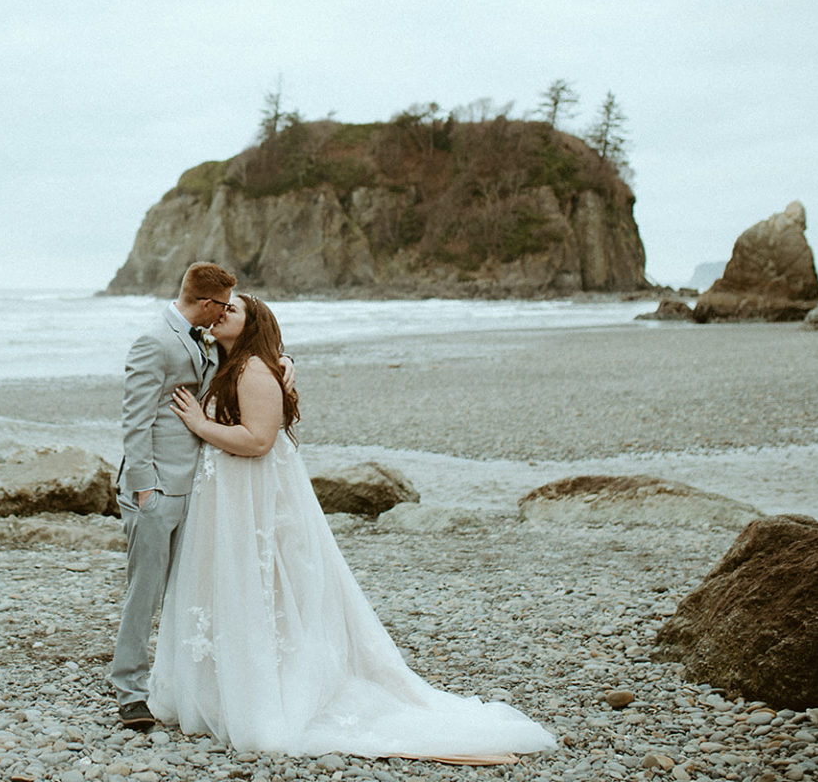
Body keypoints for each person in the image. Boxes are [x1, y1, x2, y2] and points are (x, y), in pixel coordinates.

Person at [150, 294, 558, 762]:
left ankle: (265, 696)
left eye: (232, 311)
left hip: (252, 495)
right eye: (219, 309)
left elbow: (259, 441)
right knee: (235, 587)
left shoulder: (255, 370)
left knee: (268, 587)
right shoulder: (226, 361)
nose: (220, 314)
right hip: (232, 498)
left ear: (252, 326)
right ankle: (220, 689)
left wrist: (202, 425)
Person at [108, 261, 240, 732]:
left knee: (185, 593)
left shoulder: (199, 338)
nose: (223, 314)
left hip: (193, 485)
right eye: (222, 305)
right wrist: (144, 489)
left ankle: (178, 685)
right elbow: (135, 421)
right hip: (157, 489)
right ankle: (129, 692)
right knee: (144, 593)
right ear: (206, 302)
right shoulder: (154, 341)